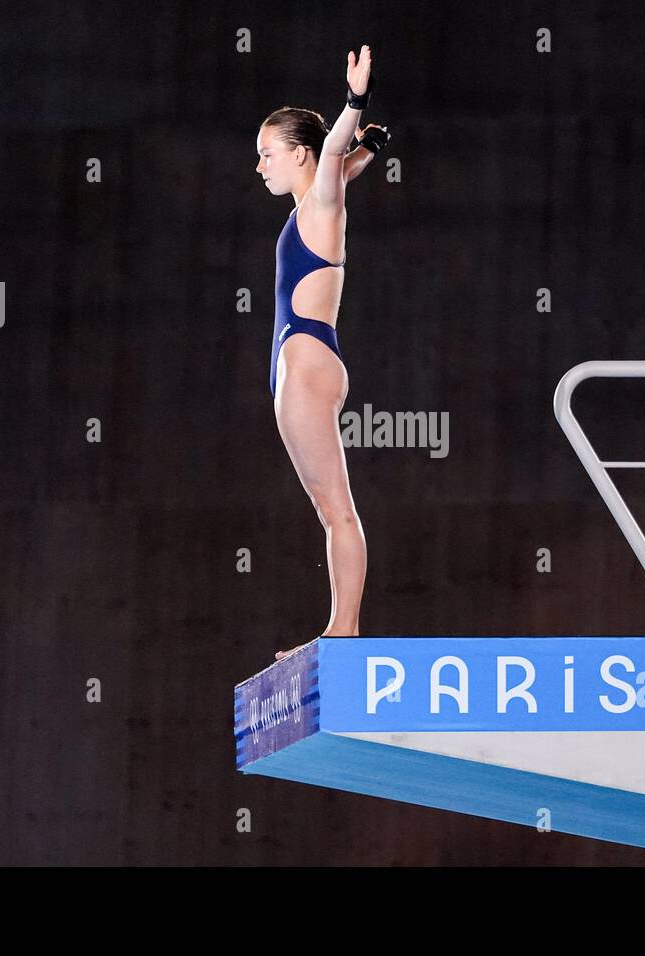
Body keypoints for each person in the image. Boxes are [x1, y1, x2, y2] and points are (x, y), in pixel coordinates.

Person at [255, 44, 390, 661]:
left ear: (300, 153)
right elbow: (342, 164)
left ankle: (344, 632)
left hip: (307, 362)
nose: (259, 166)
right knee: (330, 513)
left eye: (267, 154)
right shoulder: (316, 203)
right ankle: (341, 628)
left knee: (338, 513)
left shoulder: (320, 201)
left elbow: (334, 158)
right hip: (304, 362)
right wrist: (371, 150)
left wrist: (353, 103)